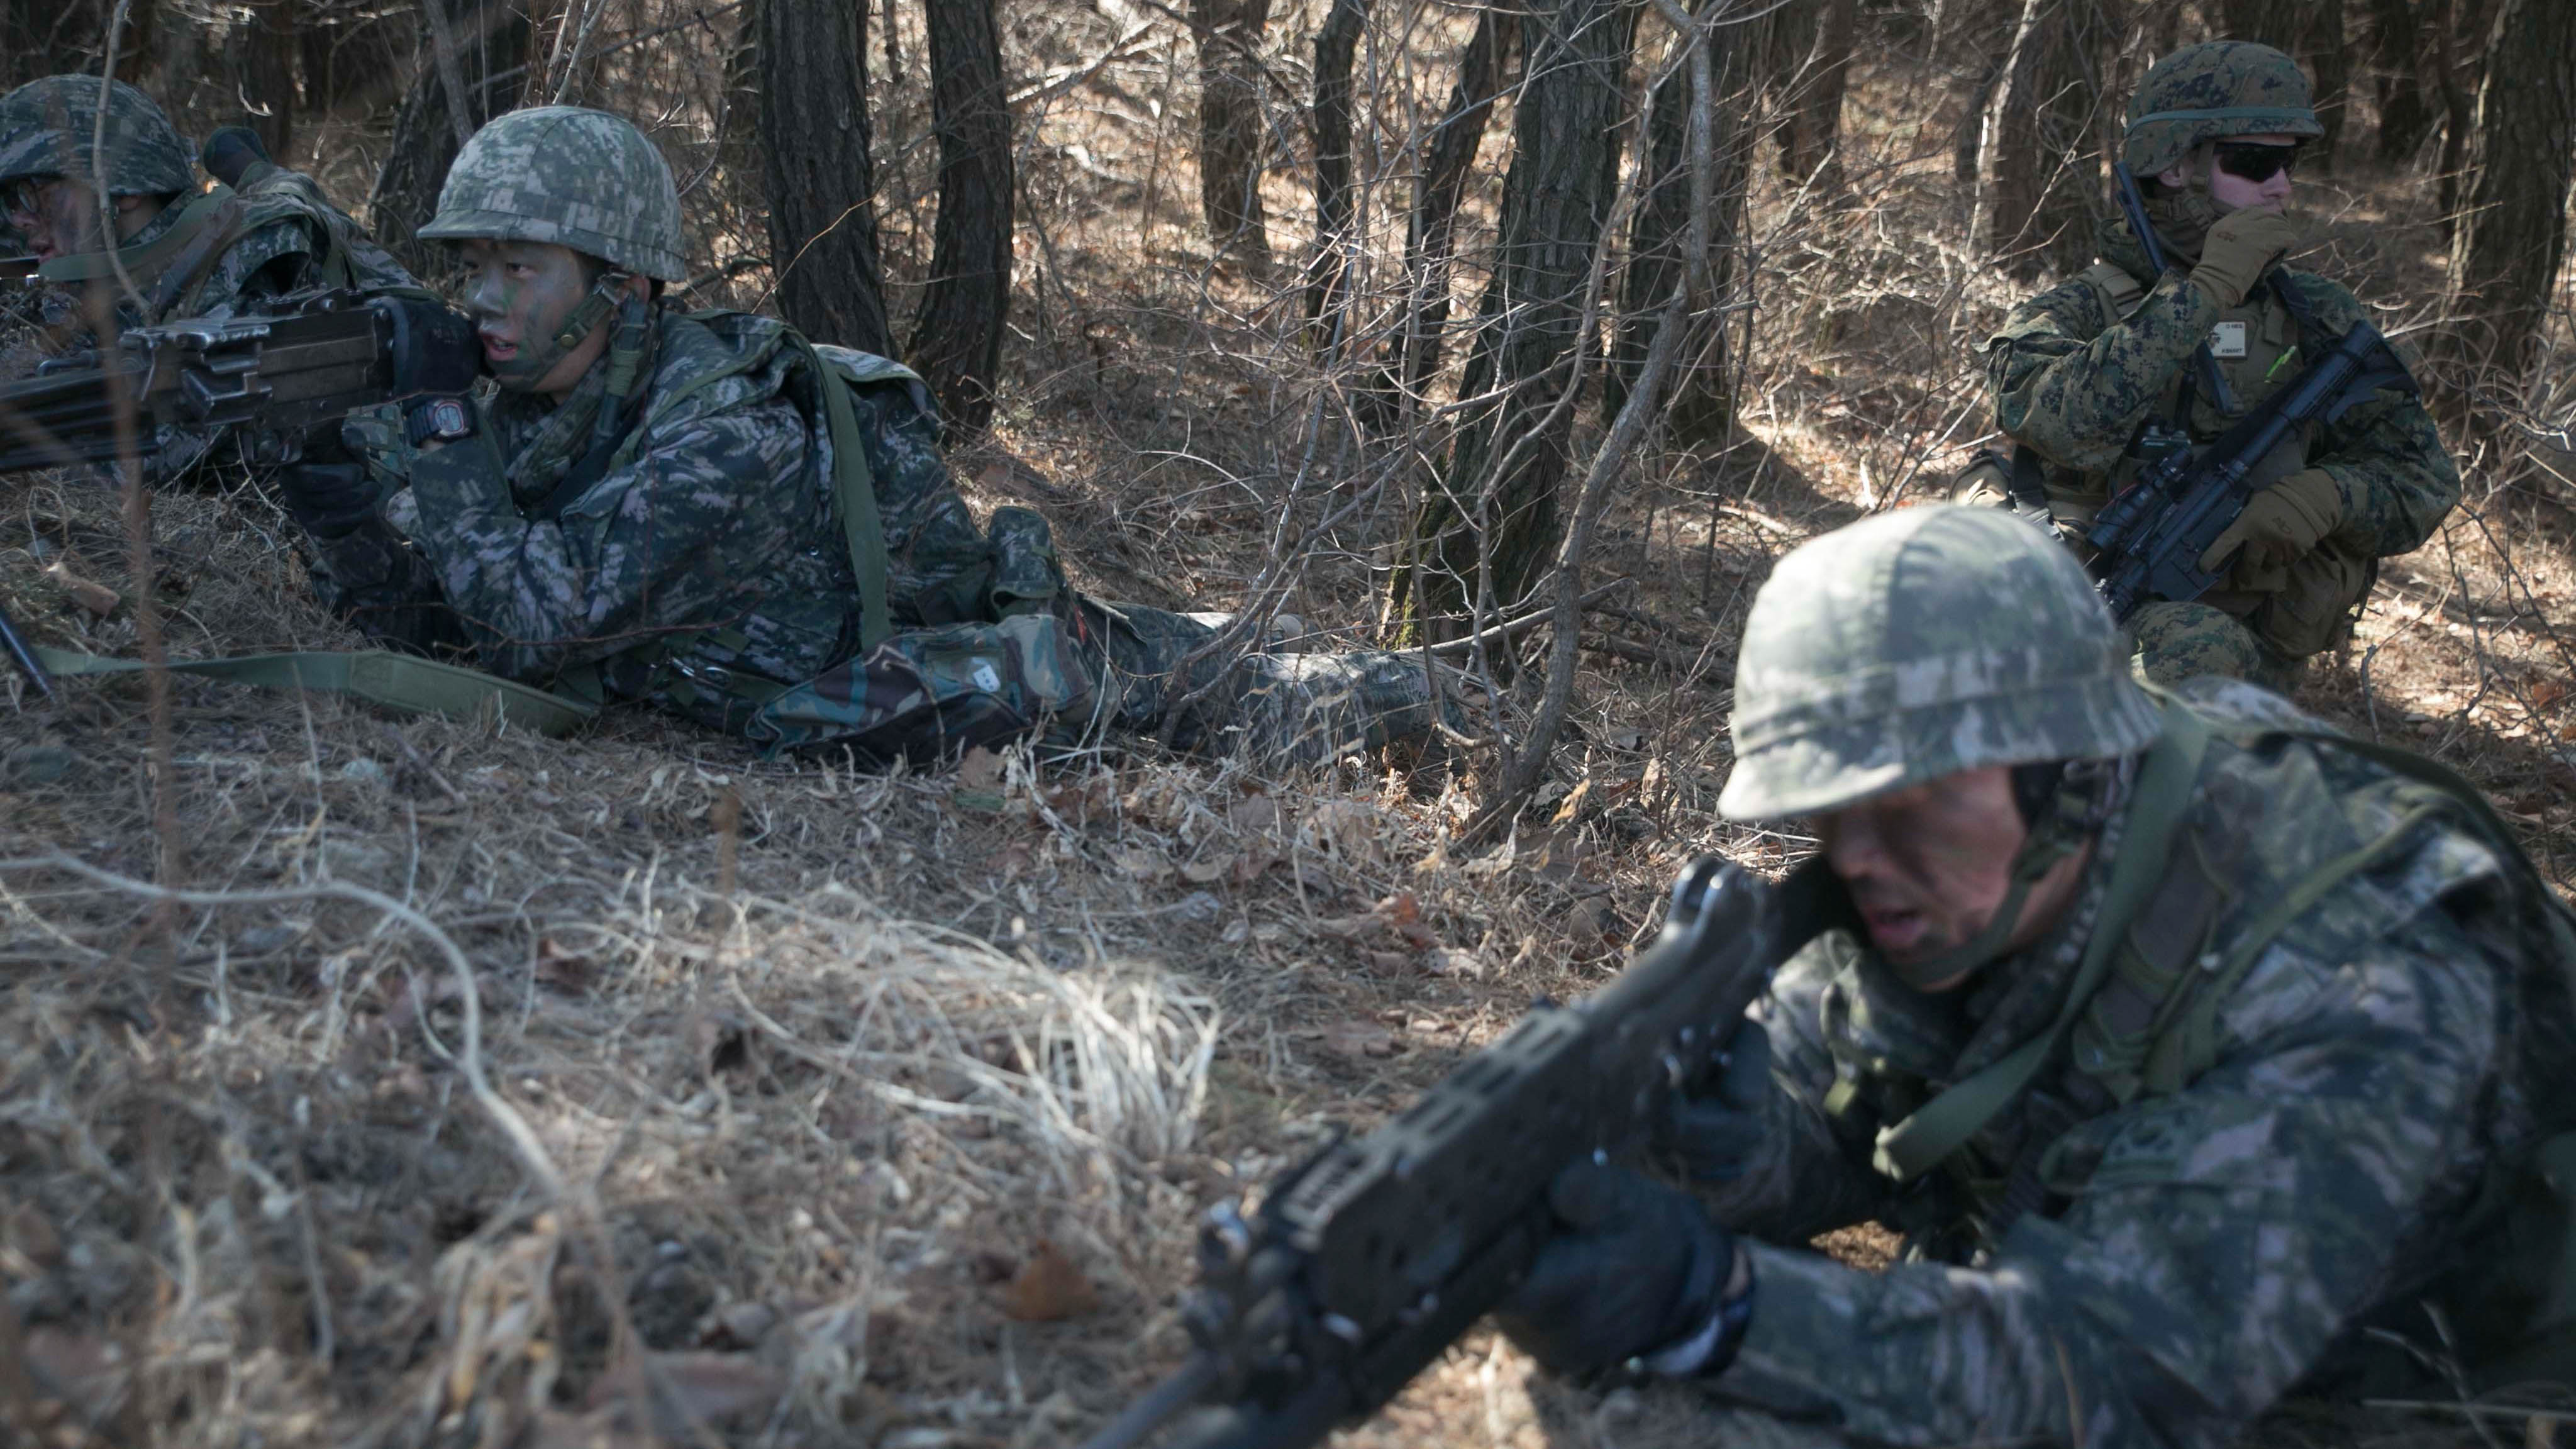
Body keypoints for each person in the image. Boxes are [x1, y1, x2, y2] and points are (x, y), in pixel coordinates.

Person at [1495, 504, 2576, 1448]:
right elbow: (1850, 1123)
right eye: (1828, 806)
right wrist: (1734, 1152)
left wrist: (1720, 1304)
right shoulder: (1959, 882)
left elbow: (2121, 1372)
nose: (1855, 852)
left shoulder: (2350, 957)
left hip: (2445, 1390)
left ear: (2073, 772)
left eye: (1908, 796)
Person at [282, 105, 1443, 764]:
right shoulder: (534, 400)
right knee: (1181, 651)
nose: (483, 297)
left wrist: (430, 423)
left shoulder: (726, 436)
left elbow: (529, 624)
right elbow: (443, 606)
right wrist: (333, 484)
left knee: (1214, 692)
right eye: (472, 266)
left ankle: (1428, 687)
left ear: (622, 285)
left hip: (961, 653)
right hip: (876, 659)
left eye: (519, 267)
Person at [1974, 41, 2457, 689]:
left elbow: (2422, 480)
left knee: (2204, 652)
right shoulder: (2078, 312)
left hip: (2252, 659)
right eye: (2256, 161)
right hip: (2080, 637)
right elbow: (2060, 425)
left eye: (2290, 161)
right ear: (2175, 167)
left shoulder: (2315, 318)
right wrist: (2200, 296)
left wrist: (2332, 495)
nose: (2281, 185)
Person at [0, 75, 417, 480]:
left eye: (31, 194)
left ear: (124, 188)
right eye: (7, 202)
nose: (18, 219)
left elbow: (149, 455)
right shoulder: (96, 280)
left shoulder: (241, 266)